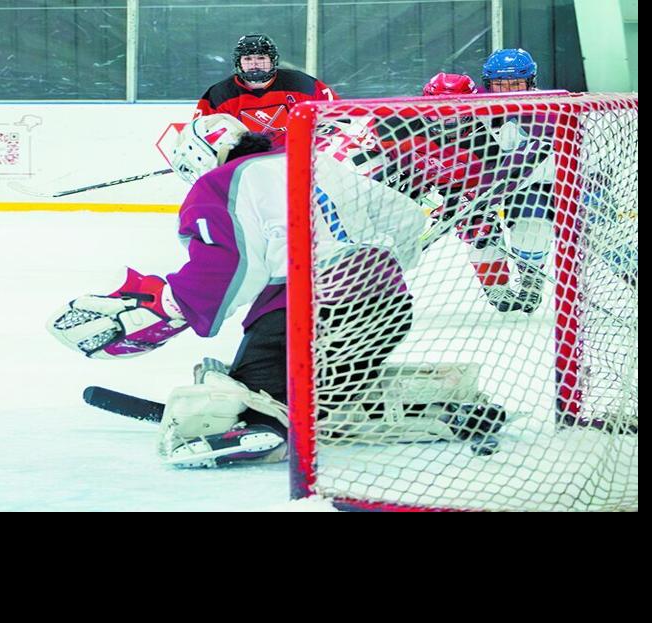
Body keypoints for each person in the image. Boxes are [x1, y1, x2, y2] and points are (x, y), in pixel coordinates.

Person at [48, 115, 439, 468]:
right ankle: (429, 408)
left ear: (197, 159)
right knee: (319, 393)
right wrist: (376, 266)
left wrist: (174, 303)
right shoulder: (315, 161)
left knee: (256, 395)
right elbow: (404, 218)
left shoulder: (219, 183)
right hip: (389, 306)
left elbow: (234, 265)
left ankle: (263, 428)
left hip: (310, 310)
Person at [195, 34, 336, 137]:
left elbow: (338, 114)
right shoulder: (220, 94)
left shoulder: (301, 83)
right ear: (239, 62)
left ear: (273, 60)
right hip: (244, 164)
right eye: (248, 59)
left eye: (261, 58)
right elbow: (201, 134)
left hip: (296, 159)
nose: (254, 64)